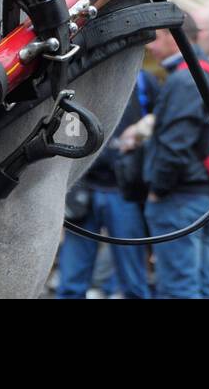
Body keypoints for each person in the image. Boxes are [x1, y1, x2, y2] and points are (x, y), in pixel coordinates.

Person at [142, 17, 209, 298]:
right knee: (200, 285)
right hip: (201, 194)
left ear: (171, 34)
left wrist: (158, 189)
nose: (150, 46)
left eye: (154, 37)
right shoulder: (206, 72)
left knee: (179, 289)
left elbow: (175, 146)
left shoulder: (186, 79)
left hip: (180, 198)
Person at [56, 66, 157, 299]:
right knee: (71, 282)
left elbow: (160, 119)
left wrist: (140, 136)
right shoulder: (81, 73)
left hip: (124, 191)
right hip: (83, 188)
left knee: (133, 282)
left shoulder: (142, 80)